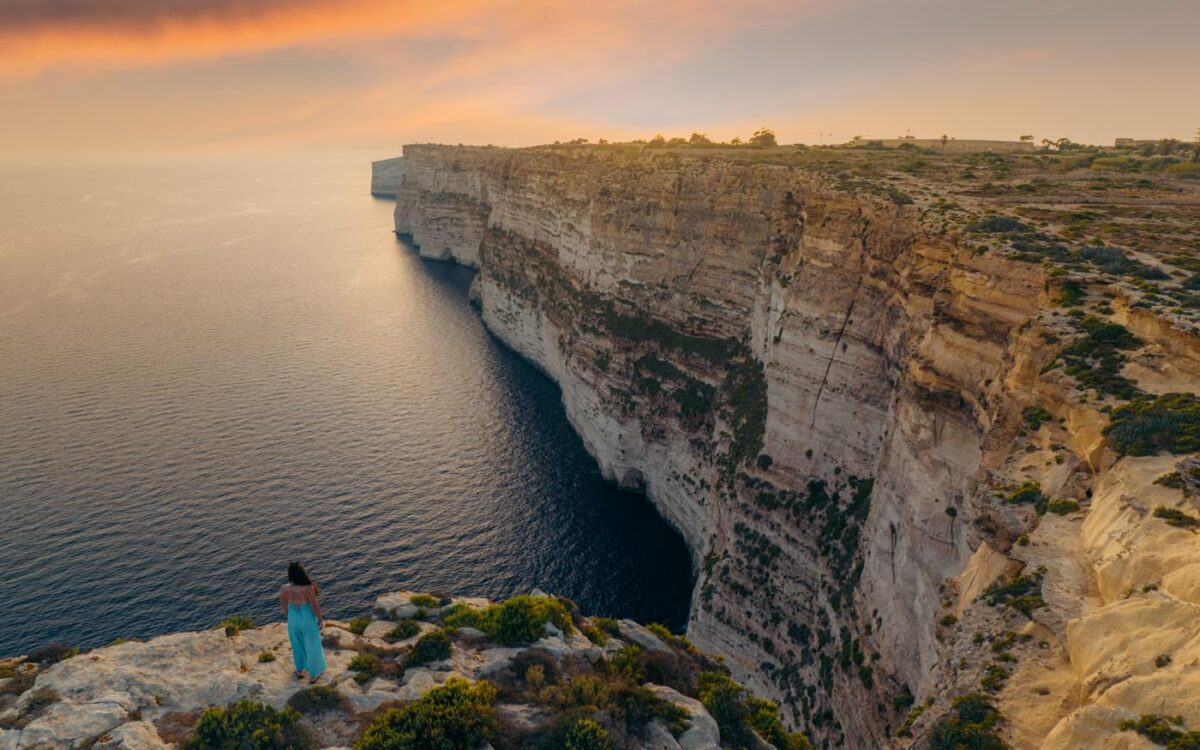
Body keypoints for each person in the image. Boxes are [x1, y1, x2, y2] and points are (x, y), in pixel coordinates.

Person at [280, 562, 326, 683]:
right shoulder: (308, 588)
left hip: (293, 620)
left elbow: (283, 606)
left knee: (297, 645)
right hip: (307, 620)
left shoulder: (284, 589)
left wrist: (289, 615)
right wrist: (320, 619)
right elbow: (315, 606)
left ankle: (299, 670)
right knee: (313, 645)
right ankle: (314, 675)